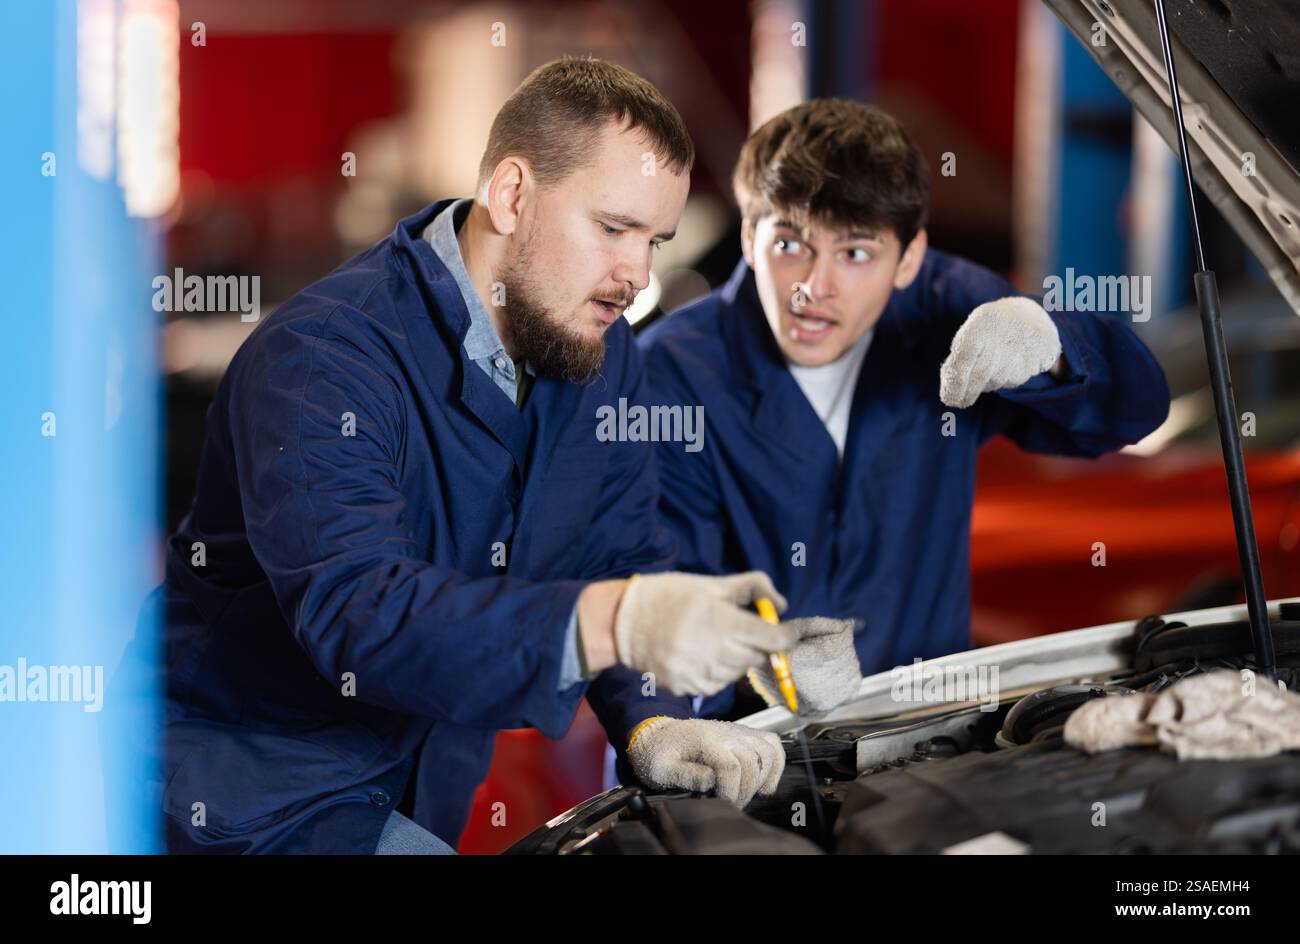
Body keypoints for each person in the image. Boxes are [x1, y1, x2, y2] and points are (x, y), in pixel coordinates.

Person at [140, 57, 799, 855]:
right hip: (247, 796)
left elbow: (619, 555)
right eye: (614, 228)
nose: (637, 274)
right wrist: (613, 623)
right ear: (513, 196)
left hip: (421, 788)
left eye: (654, 240)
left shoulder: (599, 352)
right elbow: (360, 613)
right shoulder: (323, 358)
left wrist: (652, 719)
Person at [587, 99, 1171, 798]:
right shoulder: (667, 379)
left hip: (930, 745)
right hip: (748, 760)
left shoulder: (946, 311)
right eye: (790, 243)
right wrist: (689, 705)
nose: (813, 288)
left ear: (908, 258)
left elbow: (1131, 412)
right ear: (748, 236)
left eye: (856, 251)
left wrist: (1053, 349)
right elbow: (634, 578)